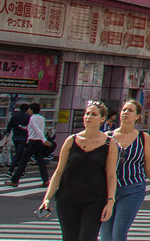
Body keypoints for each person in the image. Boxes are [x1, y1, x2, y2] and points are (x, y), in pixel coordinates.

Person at [37, 101, 112, 241]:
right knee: (69, 238)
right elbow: (59, 171)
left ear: (102, 119)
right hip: (67, 198)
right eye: (87, 114)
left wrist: (110, 201)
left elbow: (111, 175)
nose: (88, 117)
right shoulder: (71, 140)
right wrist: (47, 198)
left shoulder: (109, 143)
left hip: (95, 200)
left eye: (94, 114)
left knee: (87, 238)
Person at [99, 99, 150, 241]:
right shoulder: (107, 137)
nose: (126, 113)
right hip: (107, 190)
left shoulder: (143, 138)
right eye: (124, 110)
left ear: (137, 116)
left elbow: (149, 166)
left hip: (133, 188)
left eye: (130, 111)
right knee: (105, 235)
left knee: (118, 233)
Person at [5, 103, 32, 184]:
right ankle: (10, 170)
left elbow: (9, 127)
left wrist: (6, 138)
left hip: (15, 137)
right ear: (27, 110)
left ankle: (21, 170)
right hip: (24, 138)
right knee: (18, 154)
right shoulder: (29, 117)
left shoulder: (14, 116)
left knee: (19, 153)